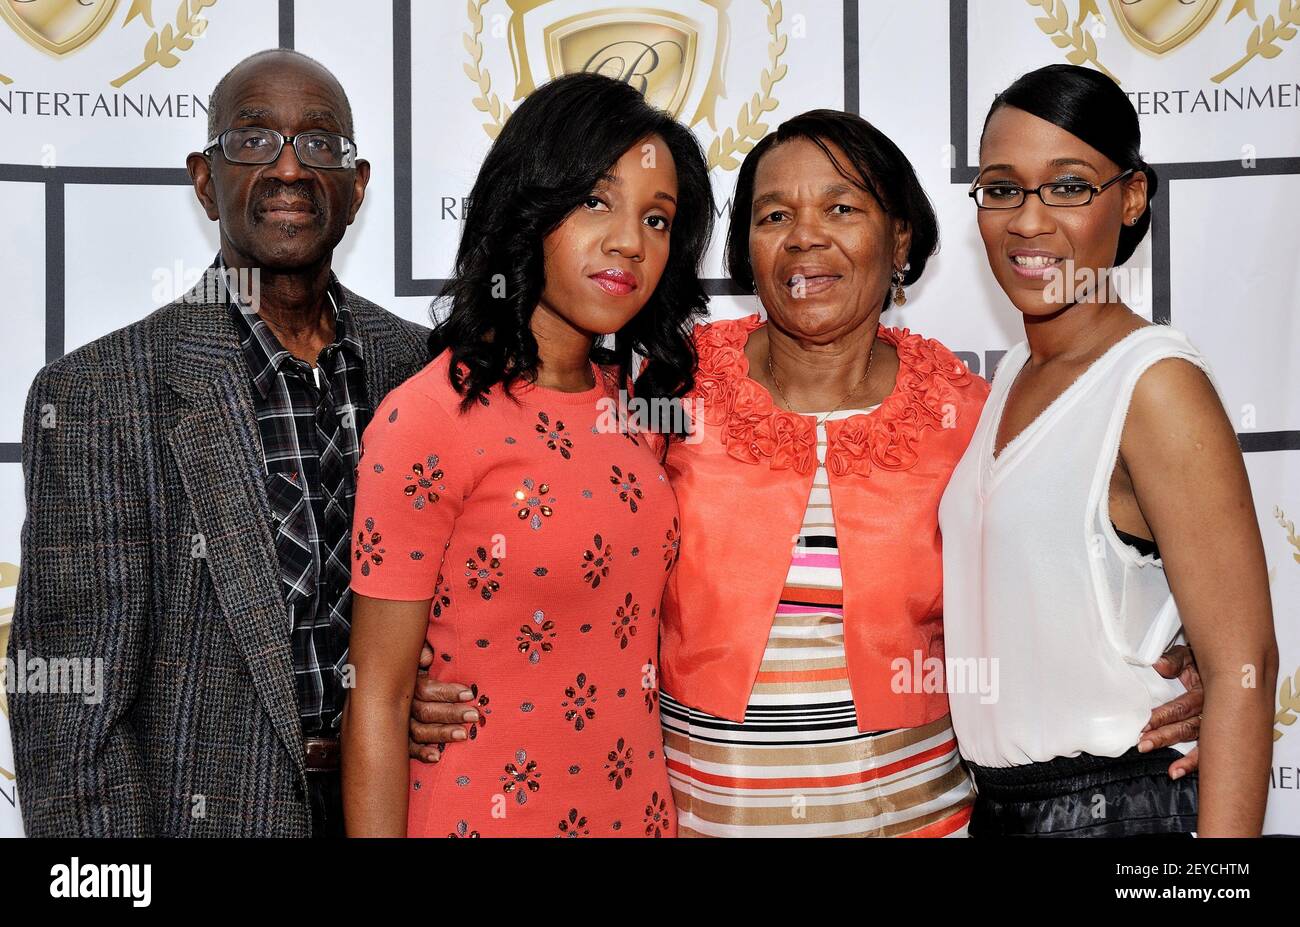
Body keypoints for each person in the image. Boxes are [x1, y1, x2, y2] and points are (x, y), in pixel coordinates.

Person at [407, 106, 1207, 838]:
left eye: (841, 209)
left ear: (899, 242)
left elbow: (1074, 561)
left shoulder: (972, 415)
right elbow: (544, 527)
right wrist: (422, 668)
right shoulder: (665, 392)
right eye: (774, 215)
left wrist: (1175, 669)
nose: (804, 238)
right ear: (745, 251)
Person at [8, 49, 430, 837]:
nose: (290, 168)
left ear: (358, 184)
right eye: (253, 140)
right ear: (205, 180)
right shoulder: (101, 394)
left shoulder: (425, 368)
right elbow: (72, 723)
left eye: (320, 142)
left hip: (414, 809)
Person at [340, 73, 713, 837]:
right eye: (595, 201)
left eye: (658, 219)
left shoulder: (642, 408)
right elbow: (378, 699)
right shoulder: (429, 417)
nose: (628, 242)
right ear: (527, 205)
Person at [941, 64, 1278, 837]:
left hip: (1123, 815)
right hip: (997, 811)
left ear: (1131, 197)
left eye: (1068, 186)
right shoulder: (1011, 381)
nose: (1029, 220)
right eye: (1002, 187)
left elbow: (1242, 670)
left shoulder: (1155, 383)